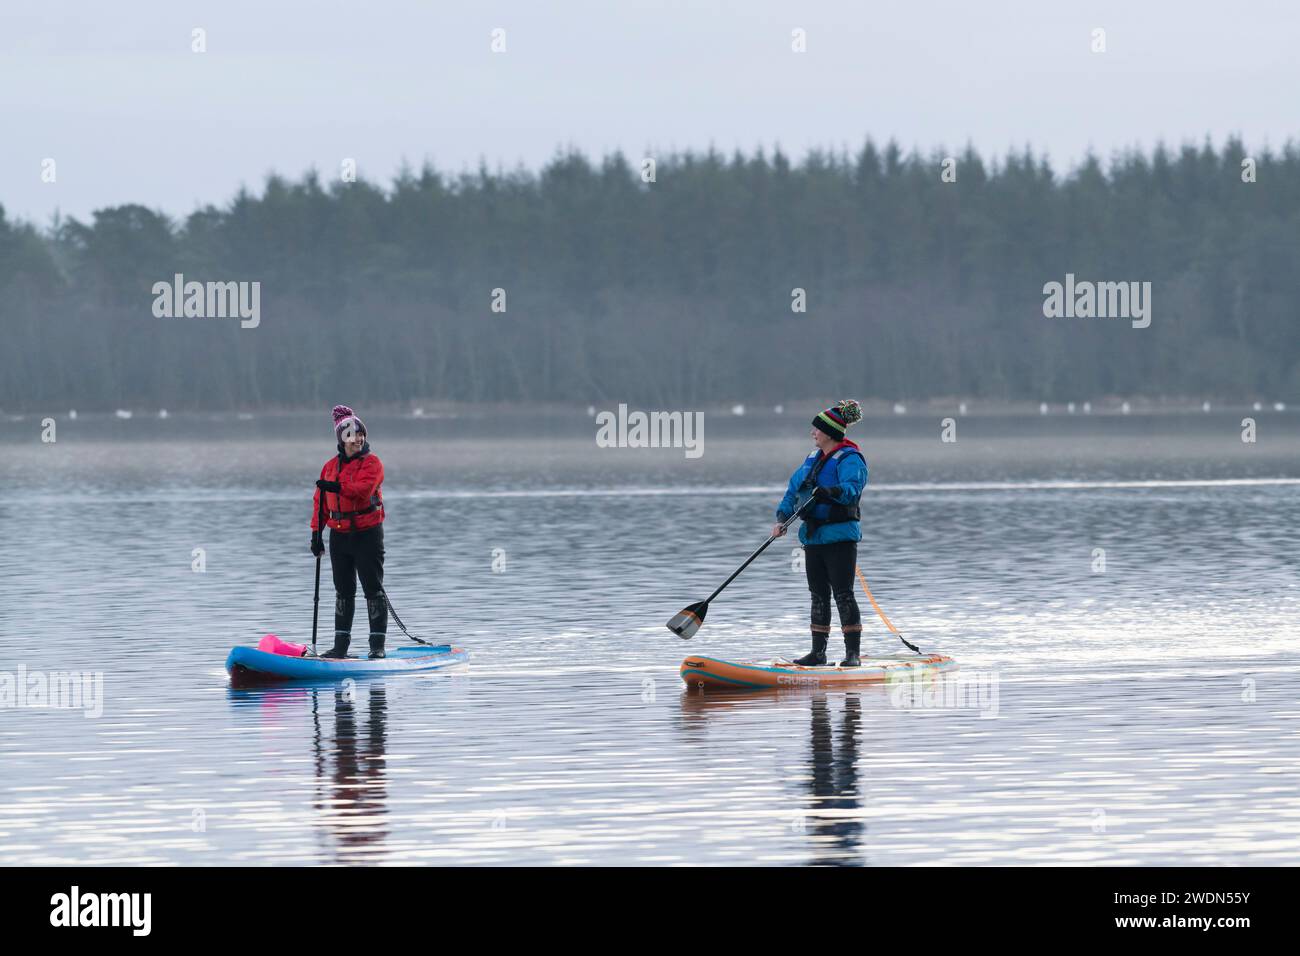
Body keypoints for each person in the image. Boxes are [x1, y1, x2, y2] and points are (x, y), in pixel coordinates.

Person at [774, 400, 868, 667]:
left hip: (840, 536)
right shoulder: (811, 459)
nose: (812, 433)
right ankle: (818, 653)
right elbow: (793, 491)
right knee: (818, 595)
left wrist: (831, 491)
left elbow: (852, 488)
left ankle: (853, 655)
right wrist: (782, 518)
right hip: (813, 538)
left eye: (816, 429)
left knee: (843, 594)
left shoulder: (850, 458)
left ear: (829, 432)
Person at [310, 405, 388, 659]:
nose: (357, 439)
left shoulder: (373, 463)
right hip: (339, 536)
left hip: (367, 534)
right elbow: (320, 503)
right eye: (351, 435)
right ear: (342, 439)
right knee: (343, 590)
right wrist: (316, 535)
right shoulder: (329, 466)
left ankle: (377, 648)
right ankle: (340, 648)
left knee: (372, 589)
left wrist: (334, 486)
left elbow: (362, 490)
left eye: (360, 434)